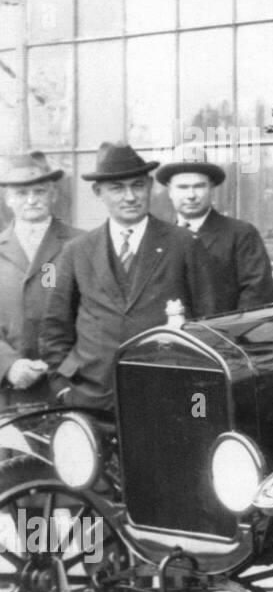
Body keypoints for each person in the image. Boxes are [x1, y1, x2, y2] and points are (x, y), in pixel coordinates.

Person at [41, 142, 219, 412]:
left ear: (150, 186)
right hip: (91, 395)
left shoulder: (184, 244)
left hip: (167, 393)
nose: (130, 197)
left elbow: (210, 321)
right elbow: (55, 327)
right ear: (98, 192)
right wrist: (63, 387)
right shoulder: (77, 250)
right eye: (117, 188)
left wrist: (197, 387)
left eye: (137, 185)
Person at [0, 153, 80, 409]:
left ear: (53, 194)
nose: (32, 200)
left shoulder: (82, 244)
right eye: (22, 194)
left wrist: (67, 368)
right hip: (10, 390)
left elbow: (98, 318)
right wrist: (9, 366)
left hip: (69, 387)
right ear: (8, 199)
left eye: (40, 191)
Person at [156, 150, 273, 312]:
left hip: (224, 334)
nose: (191, 195)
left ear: (211, 188)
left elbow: (257, 294)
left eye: (199, 186)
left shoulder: (241, 234)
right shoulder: (160, 239)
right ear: (170, 191)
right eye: (183, 187)